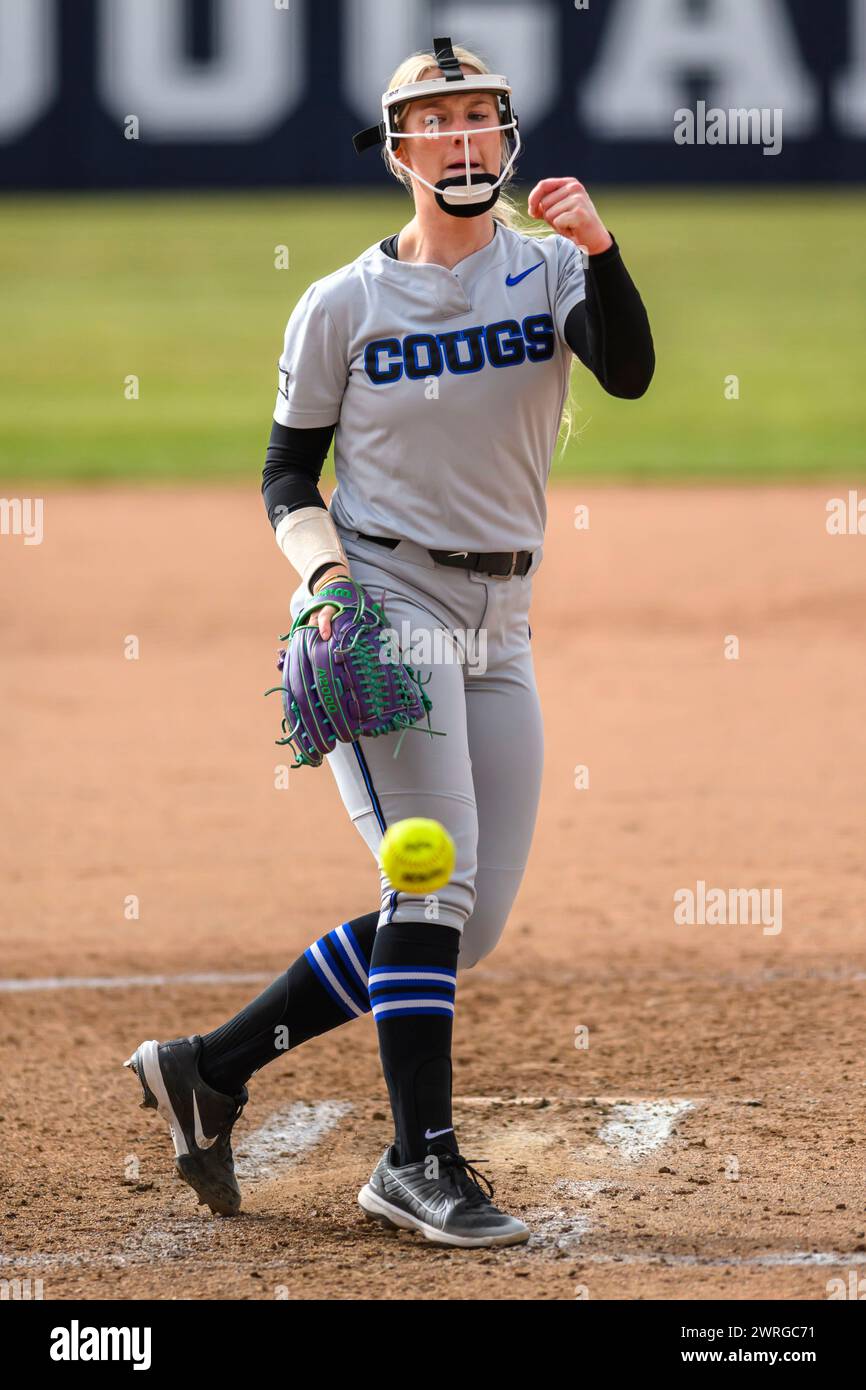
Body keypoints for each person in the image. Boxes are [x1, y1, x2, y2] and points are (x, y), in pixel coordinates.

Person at [125, 36, 654, 1249]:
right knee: (429, 875)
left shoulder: (544, 273)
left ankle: (205, 1069)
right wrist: (322, 581)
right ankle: (419, 1159)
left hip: (501, 619)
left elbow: (624, 373)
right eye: (439, 121)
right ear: (400, 148)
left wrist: (602, 251)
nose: (463, 140)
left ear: (505, 136)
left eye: (481, 117)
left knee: (467, 923)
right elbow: (282, 470)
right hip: (383, 603)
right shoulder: (344, 303)